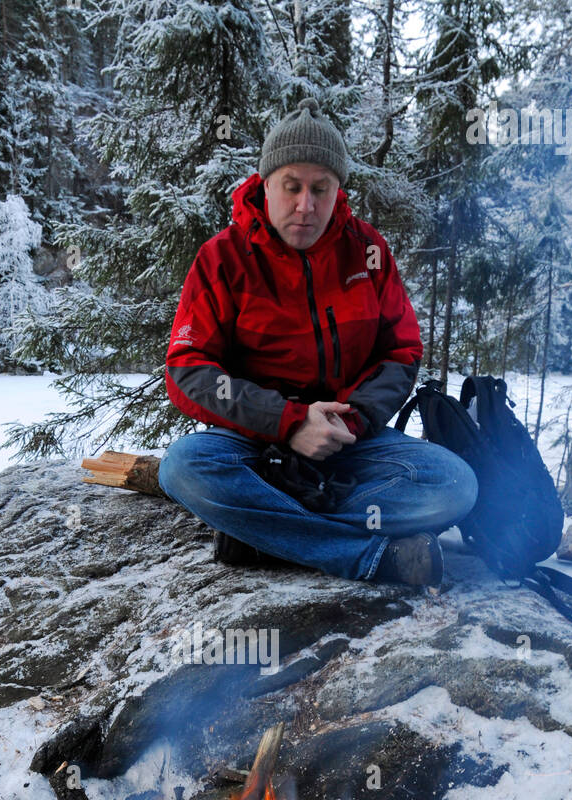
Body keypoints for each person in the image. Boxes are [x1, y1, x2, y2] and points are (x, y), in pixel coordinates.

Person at [158, 97, 478, 586]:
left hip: (348, 440)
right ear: (266, 184)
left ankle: (262, 530)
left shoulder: (368, 251)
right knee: (183, 467)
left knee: (454, 485)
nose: (305, 206)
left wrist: (347, 420)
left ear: (338, 191)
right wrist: (286, 423)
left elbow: (402, 350)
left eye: (320, 188)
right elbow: (187, 368)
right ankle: (367, 557)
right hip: (255, 444)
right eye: (291, 187)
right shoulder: (222, 258)